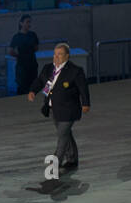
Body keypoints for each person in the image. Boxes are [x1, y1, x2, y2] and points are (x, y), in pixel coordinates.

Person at [28, 42, 91, 171]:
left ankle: (55, 164)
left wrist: (86, 103)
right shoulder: (48, 68)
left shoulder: (75, 71)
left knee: (62, 136)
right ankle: (72, 159)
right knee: (66, 134)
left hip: (69, 109)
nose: (56, 57)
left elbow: (83, 88)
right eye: (55, 54)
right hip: (53, 109)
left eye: (60, 54)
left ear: (67, 56)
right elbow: (40, 81)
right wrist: (33, 91)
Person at [7, 14, 39, 95]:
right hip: (22, 66)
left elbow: (36, 47)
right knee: (22, 86)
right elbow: (10, 51)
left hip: (32, 64)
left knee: (33, 86)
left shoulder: (33, 34)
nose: (29, 24)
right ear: (21, 23)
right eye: (27, 22)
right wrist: (19, 55)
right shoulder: (17, 36)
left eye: (30, 22)